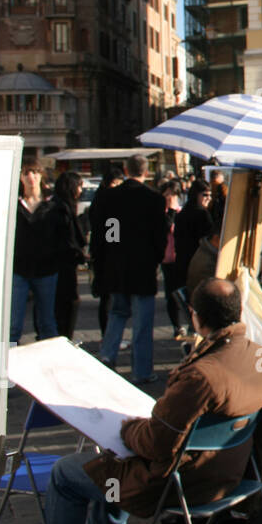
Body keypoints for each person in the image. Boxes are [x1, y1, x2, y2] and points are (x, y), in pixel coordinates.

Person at [44, 278, 262, 524]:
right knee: (111, 468)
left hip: (182, 483)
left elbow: (156, 443)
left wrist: (128, 429)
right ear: (238, 311)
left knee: (66, 473)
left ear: (197, 317)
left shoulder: (202, 377)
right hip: (229, 473)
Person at [97, 154, 170, 385]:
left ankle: (108, 356)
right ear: (145, 172)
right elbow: (159, 236)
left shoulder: (111, 197)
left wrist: (115, 251)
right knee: (143, 323)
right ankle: (141, 370)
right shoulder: (154, 200)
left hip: (118, 264)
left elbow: (110, 231)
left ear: (126, 171)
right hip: (144, 265)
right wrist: (155, 257)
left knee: (117, 314)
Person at [10, 161, 60, 344]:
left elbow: (62, 233)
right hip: (18, 269)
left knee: (47, 322)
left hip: (46, 269)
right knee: (12, 325)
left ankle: (51, 361)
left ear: (41, 176)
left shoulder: (53, 204)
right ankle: (5, 362)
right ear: (21, 178)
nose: (31, 177)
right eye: (26, 174)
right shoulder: (12, 204)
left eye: (34, 173)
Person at [172, 180, 215, 334]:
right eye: (205, 195)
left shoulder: (182, 213)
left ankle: (194, 330)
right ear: (196, 195)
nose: (208, 198)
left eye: (210, 195)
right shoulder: (202, 214)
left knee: (191, 302)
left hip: (183, 262)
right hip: (199, 263)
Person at [87, 163, 125, 336]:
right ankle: (108, 336)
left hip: (100, 253)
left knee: (106, 297)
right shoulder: (109, 201)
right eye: (116, 184)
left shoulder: (98, 199)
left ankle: (107, 335)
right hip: (108, 256)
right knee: (109, 298)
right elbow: (112, 231)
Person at [50, 171, 88, 341]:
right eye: (79, 186)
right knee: (68, 303)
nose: (81, 191)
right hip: (63, 264)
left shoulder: (58, 205)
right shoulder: (62, 208)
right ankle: (64, 338)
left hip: (61, 263)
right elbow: (68, 239)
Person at [159, 179, 190, 340]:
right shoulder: (162, 214)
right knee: (171, 295)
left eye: (172, 194)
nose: (169, 197)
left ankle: (191, 324)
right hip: (167, 260)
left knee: (186, 292)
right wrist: (169, 210)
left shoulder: (183, 213)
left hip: (182, 258)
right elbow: (165, 229)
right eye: (166, 194)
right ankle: (177, 326)